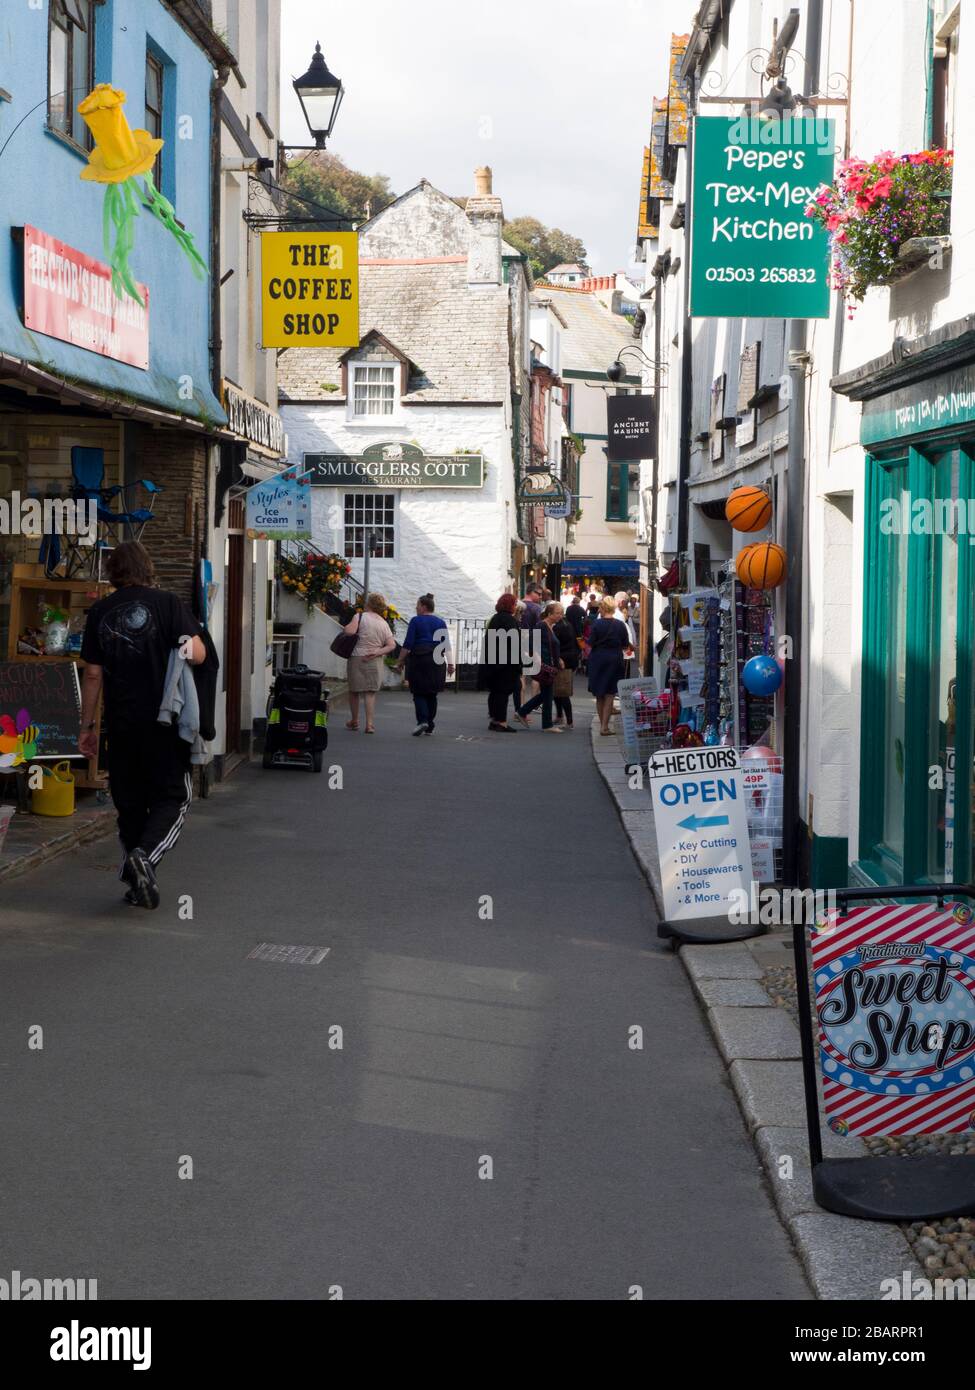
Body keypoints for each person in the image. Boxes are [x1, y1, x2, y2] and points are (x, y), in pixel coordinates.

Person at [79, 540, 207, 910]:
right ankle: (145, 858)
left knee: (131, 804)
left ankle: (137, 884)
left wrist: (87, 726)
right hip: (164, 722)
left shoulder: (100, 610)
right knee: (173, 797)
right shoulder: (167, 603)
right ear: (147, 566)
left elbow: (92, 674)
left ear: (112, 571)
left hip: (121, 725)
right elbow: (196, 653)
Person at [397, 594, 453, 735]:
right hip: (437, 660)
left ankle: (422, 721)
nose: (416, 607)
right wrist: (451, 664)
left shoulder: (416, 621)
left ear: (423, 606)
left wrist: (400, 660)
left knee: (418, 692)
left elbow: (408, 644)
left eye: (417, 605)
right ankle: (430, 724)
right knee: (432, 693)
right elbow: (446, 645)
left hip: (419, 659)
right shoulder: (440, 622)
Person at [345, 592, 397, 734]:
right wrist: (377, 652)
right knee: (370, 693)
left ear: (368, 604)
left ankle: (354, 721)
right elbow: (391, 645)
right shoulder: (384, 623)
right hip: (374, 660)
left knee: (354, 691)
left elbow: (349, 632)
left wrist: (347, 627)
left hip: (357, 658)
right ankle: (369, 724)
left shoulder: (359, 616)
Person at [515, 602, 565, 733]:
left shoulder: (550, 626)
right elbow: (531, 641)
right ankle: (545, 724)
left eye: (561, 613)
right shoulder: (541, 625)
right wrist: (536, 656)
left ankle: (523, 712)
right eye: (558, 613)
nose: (561, 616)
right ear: (549, 614)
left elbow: (551, 645)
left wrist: (558, 658)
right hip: (544, 665)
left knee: (546, 694)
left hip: (550, 664)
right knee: (547, 694)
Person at [587, 596, 630, 736]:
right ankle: (605, 726)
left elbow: (591, 642)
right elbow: (625, 644)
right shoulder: (620, 624)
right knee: (610, 693)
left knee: (599, 694)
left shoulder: (596, 624)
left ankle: (602, 725)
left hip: (598, 659)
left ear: (602, 608)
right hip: (614, 659)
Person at [483, 593, 523, 732]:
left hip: (493, 661)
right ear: (509, 605)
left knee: (495, 692)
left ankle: (494, 720)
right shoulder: (509, 620)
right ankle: (501, 722)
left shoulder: (495, 618)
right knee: (502, 693)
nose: (516, 606)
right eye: (514, 603)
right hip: (505, 664)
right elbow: (514, 642)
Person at [550, 602, 579, 729]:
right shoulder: (567, 624)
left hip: (563, 660)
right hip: (569, 659)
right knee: (559, 690)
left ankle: (569, 721)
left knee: (562, 691)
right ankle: (560, 716)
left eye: (557, 613)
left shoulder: (559, 627)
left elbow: (556, 645)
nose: (556, 615)